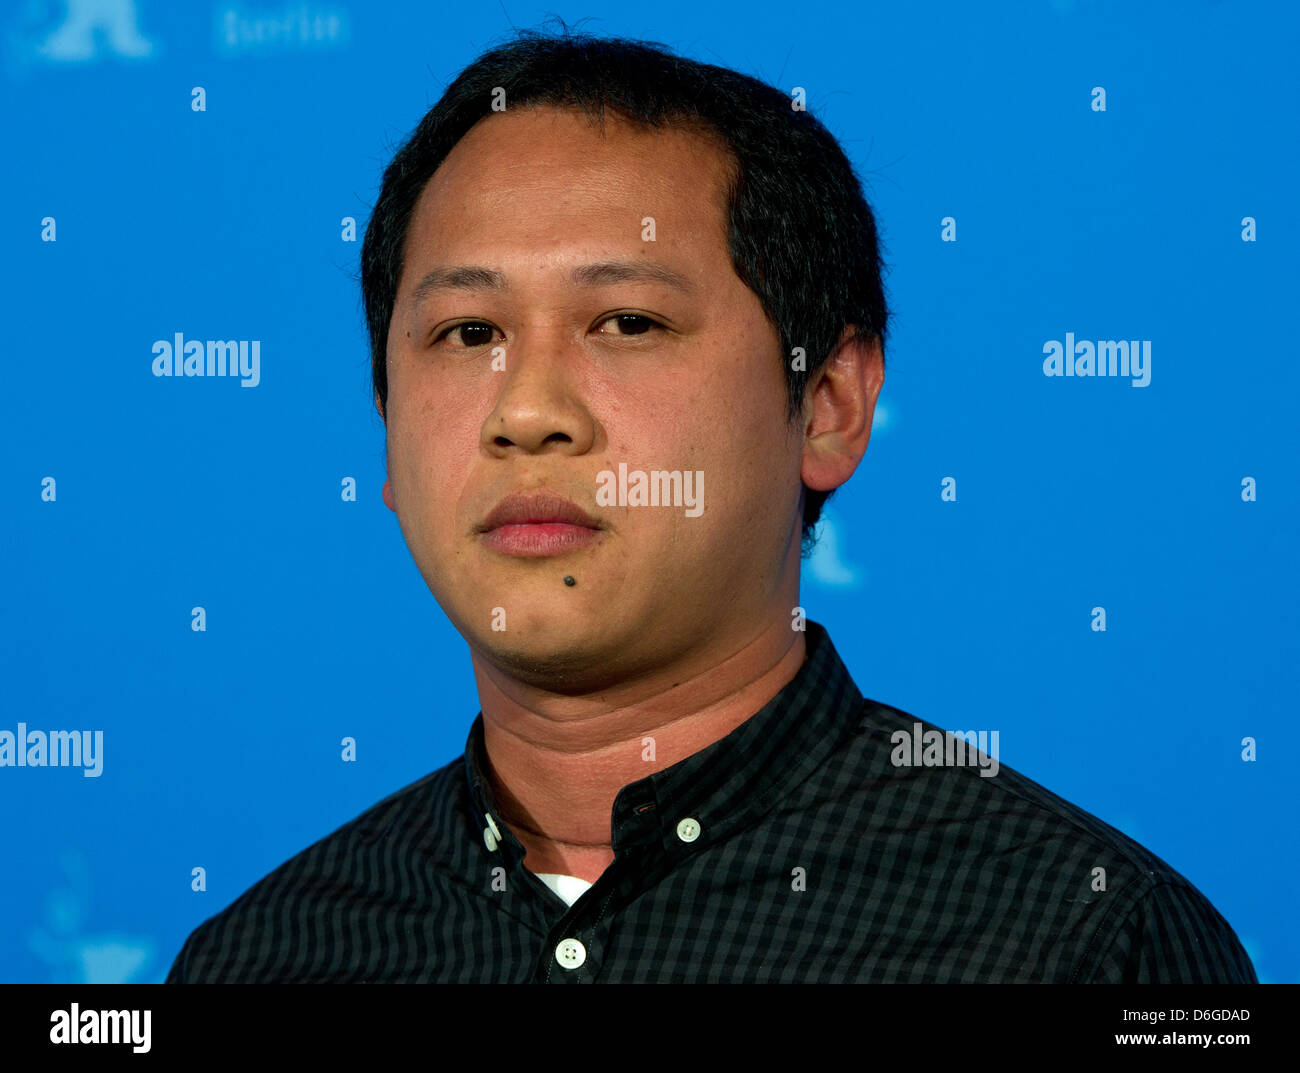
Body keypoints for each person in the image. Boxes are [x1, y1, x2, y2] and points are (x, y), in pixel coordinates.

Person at [166, 29, 1255, 983]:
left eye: (627, 322)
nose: (528, 412)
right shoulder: (263, 953)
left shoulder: (1081, 936)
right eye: (469, 334)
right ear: (389, 433)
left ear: (826, 405)